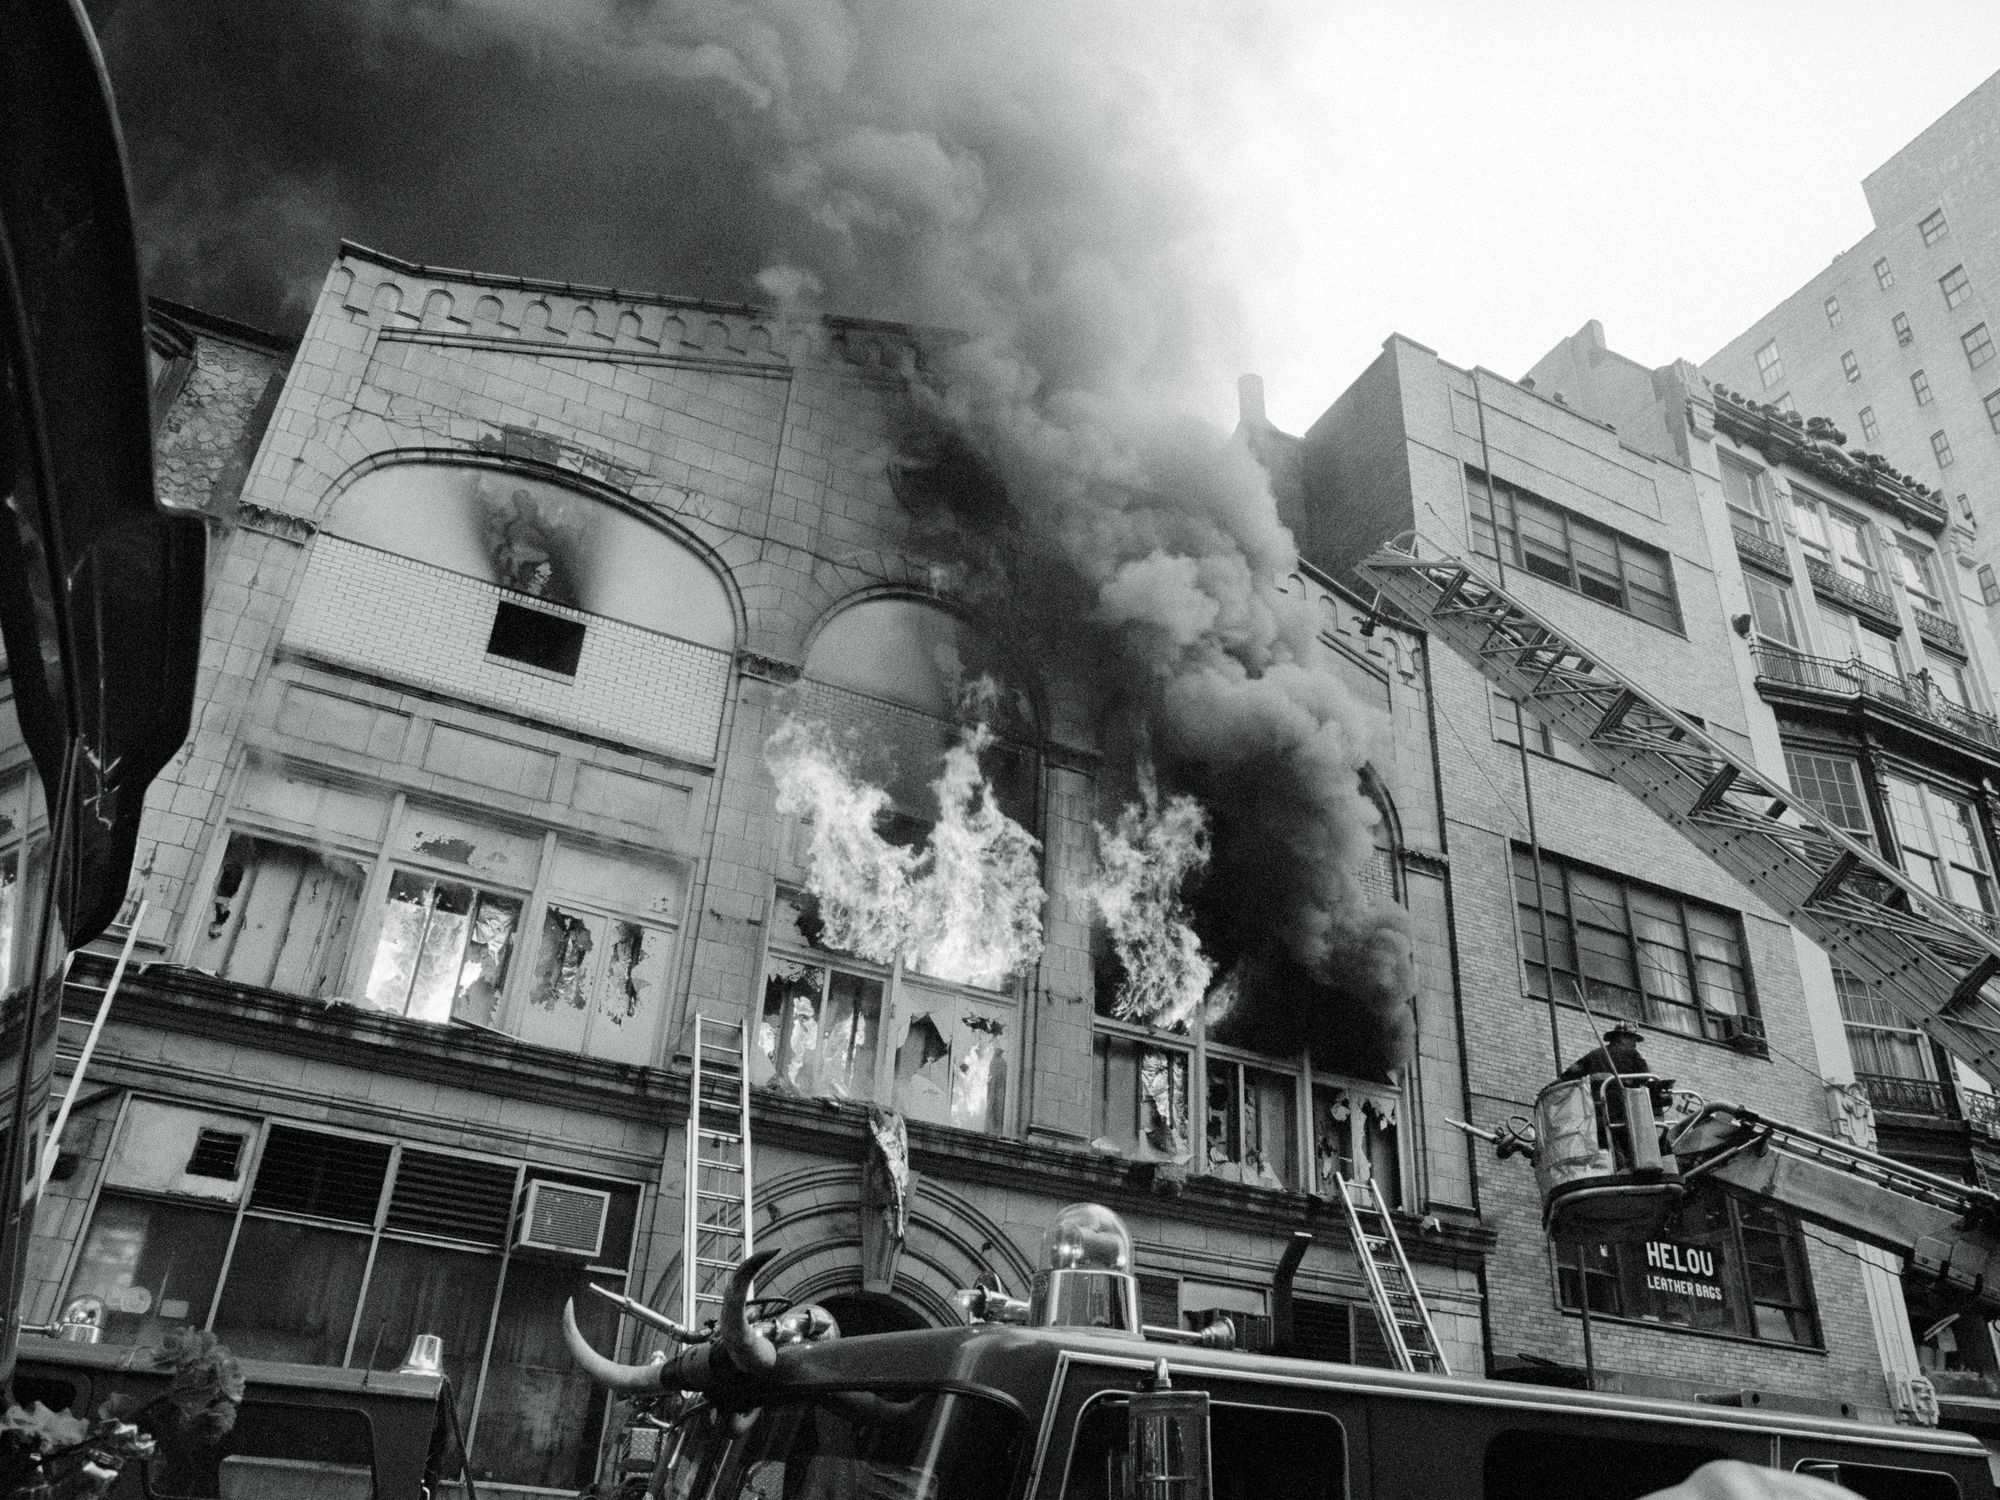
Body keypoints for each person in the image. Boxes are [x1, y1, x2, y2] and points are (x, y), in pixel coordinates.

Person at [1560, 1022, 1651, 1081]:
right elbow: (1645, 1076)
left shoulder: (1595, 1054)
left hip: (1599, 1102)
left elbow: (1572, 1072)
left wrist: (1553, 1084)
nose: (1633, 1043)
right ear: (1620, 1037)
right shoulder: (1632, 1054)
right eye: (1631, 1038)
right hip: (1624, 1101)